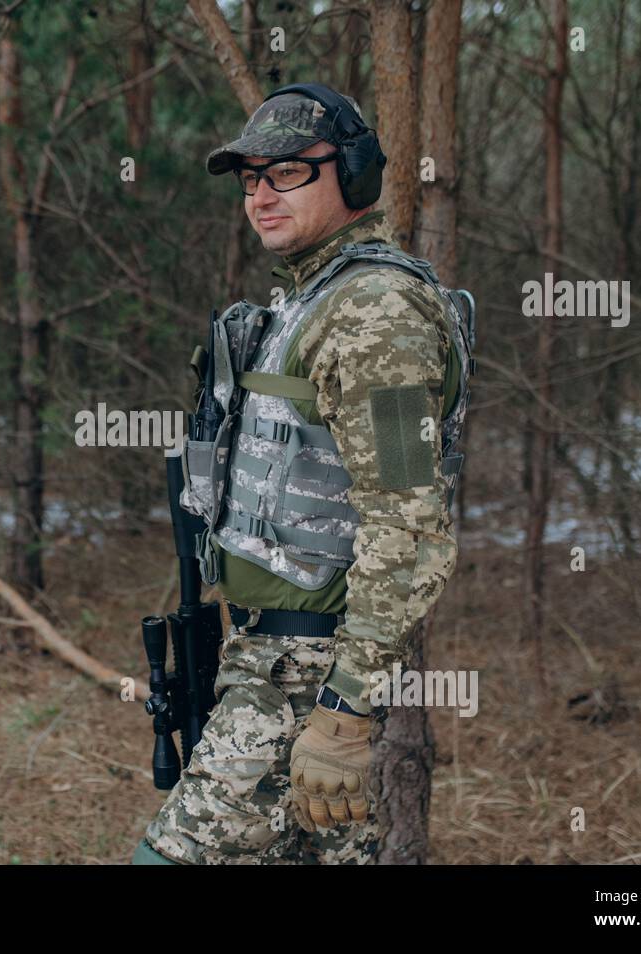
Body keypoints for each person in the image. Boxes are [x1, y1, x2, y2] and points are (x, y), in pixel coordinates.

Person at [132, 84, 467, 864]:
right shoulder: (305, 305)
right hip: (269, 659)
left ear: (349, 175)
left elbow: (409, 527)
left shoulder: (376, 312)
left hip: (309, 673)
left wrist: (344, 713)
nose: (260, 196)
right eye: (250, 179)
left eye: (286, 173)